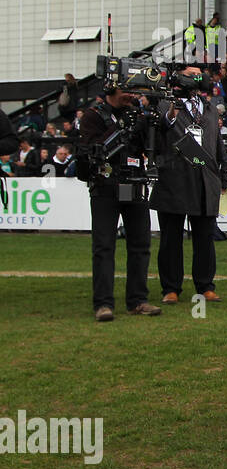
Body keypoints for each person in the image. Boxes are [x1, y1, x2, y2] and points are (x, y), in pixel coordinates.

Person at [75, 83, 162, 321]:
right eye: (126, 92)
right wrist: (121, 128)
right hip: (105, 186)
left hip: (134, 184)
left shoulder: (137, 115)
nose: (131, 97)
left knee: (140, 245)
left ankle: (138, 300)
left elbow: (151, 146)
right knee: (104, 246)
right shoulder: (93, 116)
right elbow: (91, 151)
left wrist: (152, 123)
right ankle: (103, 303)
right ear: (110, 91)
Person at [150, 67, 227, 305]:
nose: (197, 77)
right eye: (192, 73)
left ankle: (205, 285)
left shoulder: (208, 109)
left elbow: (219, 145)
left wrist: (225, 178)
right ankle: (171, 288)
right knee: (171, 239)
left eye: (199, 73)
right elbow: (162, 128)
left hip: (206, 179)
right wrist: (173, 108)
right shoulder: (167, 105)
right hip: (174, 178)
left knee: (204, 238)